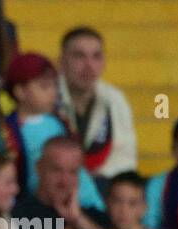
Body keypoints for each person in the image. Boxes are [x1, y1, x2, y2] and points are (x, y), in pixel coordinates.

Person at [11, 135, 116, 229]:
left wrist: (78, 220)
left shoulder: (91, 217)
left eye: (72, 172)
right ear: (39, 168)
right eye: (56, 170)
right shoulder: (18, 216)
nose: (64, 181)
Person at [0, 51, 102, 208]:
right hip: (33, 206)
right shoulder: (6, 131)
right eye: (44, 87)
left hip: (83, 201)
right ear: (20, 91)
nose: (53, 93)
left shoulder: (61, 121)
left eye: (55, 86)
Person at [58, 26, 137, 183]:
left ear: (103, 62)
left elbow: (125, 159)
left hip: (103, 187)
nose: (89, 65)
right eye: (79, 56)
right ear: (62, 61)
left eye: (96, 56)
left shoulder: (115, 100)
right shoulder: (48, 97)